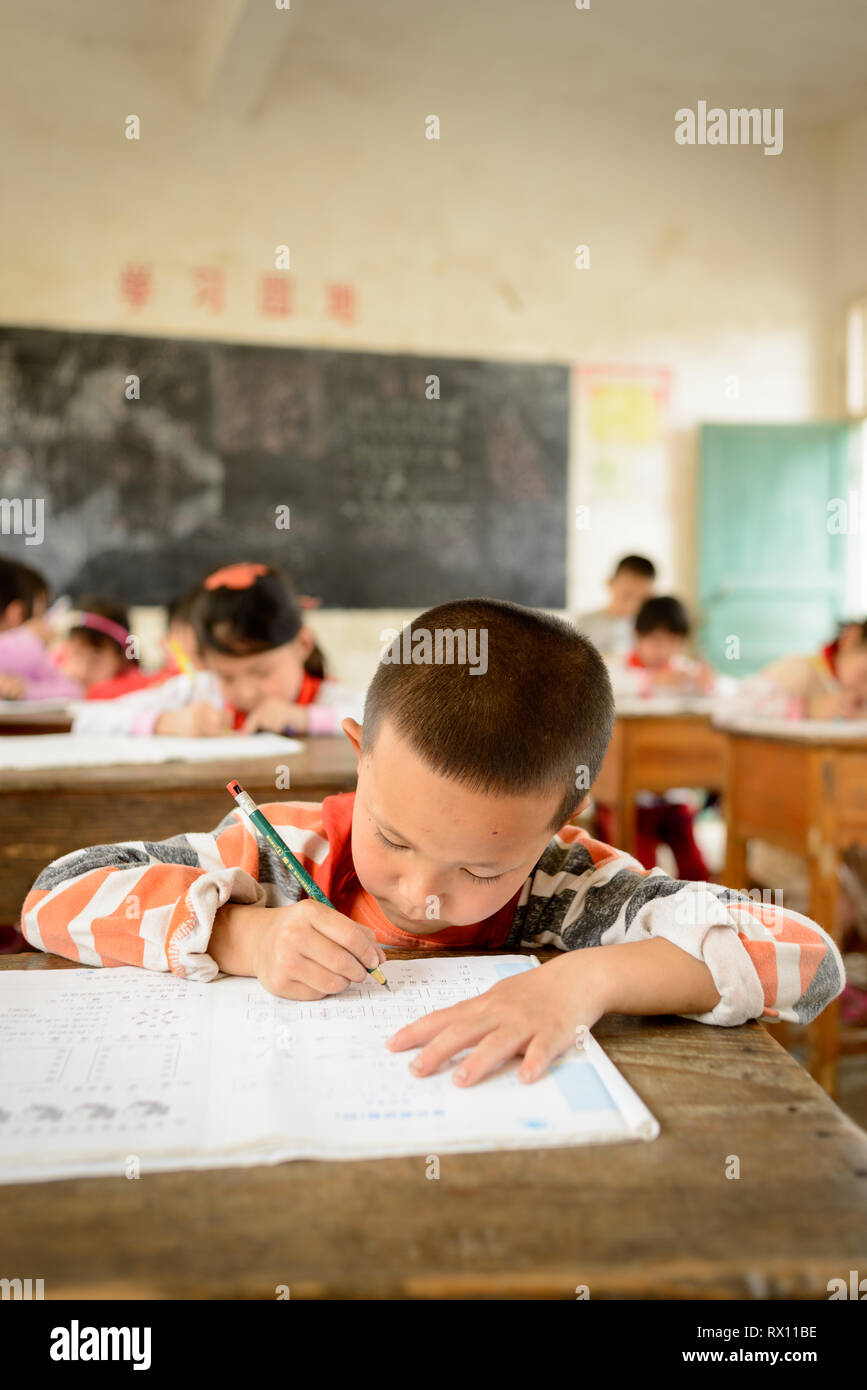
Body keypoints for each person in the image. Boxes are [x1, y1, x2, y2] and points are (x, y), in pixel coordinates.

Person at [21, 598, 843, 1088]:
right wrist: (242, 931)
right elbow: (53, 894)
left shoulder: (568, 886)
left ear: (557, 824)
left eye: (483, 868)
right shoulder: (288, 849)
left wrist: (585, 981)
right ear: (358, 754)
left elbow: (807, 963)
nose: (421, 893)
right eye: (394, 837)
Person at [71, 562, 364, 736]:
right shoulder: (199, 691)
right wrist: (168, 722)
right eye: (227, 677)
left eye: (261, 671)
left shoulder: (329, 699)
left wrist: (304, 719)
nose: (247, 691)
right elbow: (88, 718)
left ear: (302, 644)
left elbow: (390, 725)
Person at [0, 558, 82, 700]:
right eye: (42, 615)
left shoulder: (31, 654)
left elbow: (73, 690)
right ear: (17, 614)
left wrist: (26, 690)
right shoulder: (27, 644)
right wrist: (26, 637)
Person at [574, 554, 656, 659]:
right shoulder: (584, 623)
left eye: (642, 599)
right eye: (626, 595)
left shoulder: (648, 627)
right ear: (611, 583)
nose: (633, 605)